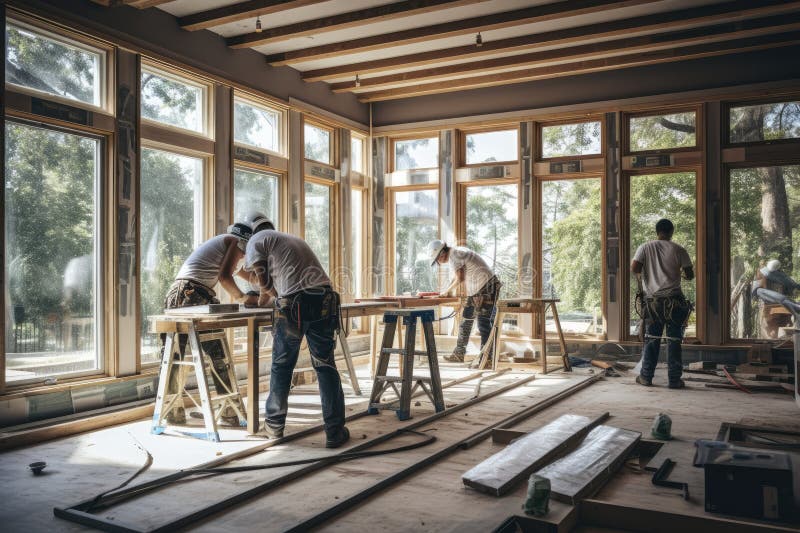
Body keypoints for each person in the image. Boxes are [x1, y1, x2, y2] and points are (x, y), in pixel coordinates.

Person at [245, 223, 349, 449]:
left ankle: (273, 427)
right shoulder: (289, 240)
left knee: (282, 365)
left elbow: (263, 280)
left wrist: (270, 295)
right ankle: (335, 431)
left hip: (295, 304)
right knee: (325, 365)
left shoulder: (255, 240)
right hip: (324, 299)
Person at [161, 212, 265, 425]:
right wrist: (244, 297)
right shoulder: (233, 242)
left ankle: (228, 410)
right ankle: (172, 411)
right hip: (186, 293)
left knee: (218, 352)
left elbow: (248, 275)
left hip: (197, 294)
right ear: (245, 242)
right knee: (178, 354)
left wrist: (265, 288)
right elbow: (225, 278)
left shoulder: (229, 248)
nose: (244, 256)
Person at [631, 218, 694, 389]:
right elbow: (689, 275)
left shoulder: (645, 247)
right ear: (671, 232)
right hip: (674, 302)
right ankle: (674, 380)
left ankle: (646, 377)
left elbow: (635, 268)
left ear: (657, 231)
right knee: (674, 340)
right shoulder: (679, 249)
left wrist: (648, 271)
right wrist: (678, 272)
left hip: (653, 302)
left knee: (652, 339)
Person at [428, 240, 501, 363]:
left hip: (487, 287)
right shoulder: (456, 252)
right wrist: (448, 291)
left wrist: (447, 292)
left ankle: (487, 359)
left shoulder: (455, 255)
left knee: (483, 323)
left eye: (437, 260)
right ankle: (459, 354)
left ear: (441, 253)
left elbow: (460, 278)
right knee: (466, 321)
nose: (439, 262)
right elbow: (456, 277)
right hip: (480, 289)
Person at [755, 259, 800, 338]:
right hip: (780, 306)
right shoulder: (782, 276)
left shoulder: (762, 272)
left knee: (773, 334)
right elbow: (791, 289)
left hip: (774, 306)